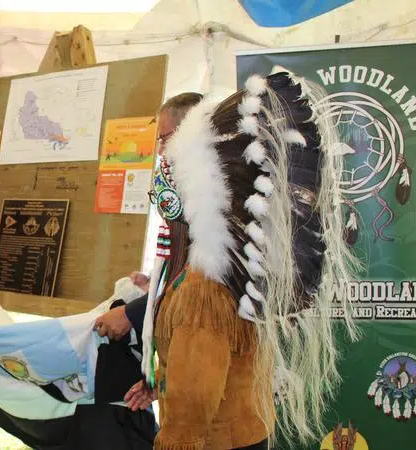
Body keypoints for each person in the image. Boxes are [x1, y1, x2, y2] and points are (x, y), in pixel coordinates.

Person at [125, 72, 356, 449]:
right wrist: (165, 384)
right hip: (245, 429)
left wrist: (176, 419)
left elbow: (192, 410)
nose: (160, 154)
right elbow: (208, 370)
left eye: (165, 141)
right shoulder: (231, 265)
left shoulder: (204, 289)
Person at [93, 93, 204, 412]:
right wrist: (154, 283)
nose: (159, 151)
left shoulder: (214, 199)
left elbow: (204, 287)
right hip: (183, 371)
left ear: (190, 133)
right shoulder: (189, 191)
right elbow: (185, 268)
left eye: (164, 139)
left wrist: (133, 313)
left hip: (210, 389)